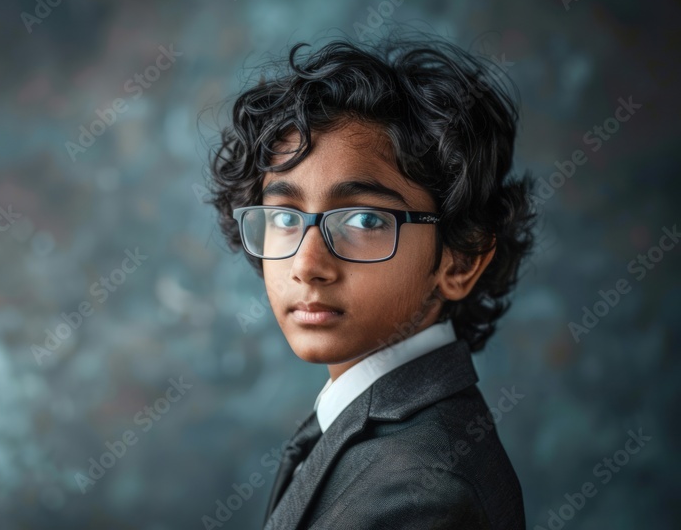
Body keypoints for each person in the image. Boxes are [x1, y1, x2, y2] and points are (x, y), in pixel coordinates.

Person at [205, 32, 536, 529]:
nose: (307, 263)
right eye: (285, 216)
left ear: (460, 261)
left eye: (364, 221)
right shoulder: (361, 424)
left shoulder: (423, 493)